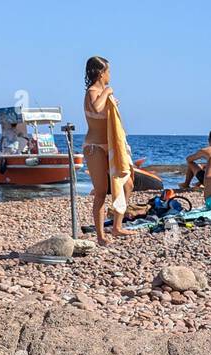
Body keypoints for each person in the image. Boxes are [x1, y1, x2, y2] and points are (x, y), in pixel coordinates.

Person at [83, 55, 136, 244]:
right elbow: (97, 109)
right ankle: (100, 236)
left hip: (111, 145)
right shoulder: (93, 91)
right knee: (101, 191)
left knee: (127, 183)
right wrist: (107, 93)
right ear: (100, 73)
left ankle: (117, 226)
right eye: (108, 71)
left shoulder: (104, 92)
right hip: (95, 147)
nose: (110, 75)